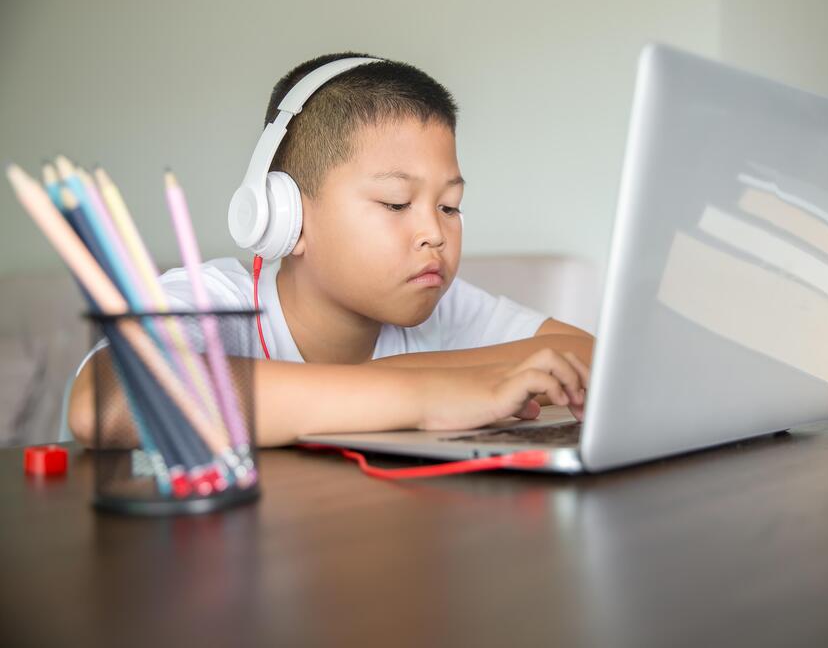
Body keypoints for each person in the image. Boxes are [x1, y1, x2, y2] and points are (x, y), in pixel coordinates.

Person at [68, 51, 594, 447]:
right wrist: (431, 393)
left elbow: (595, 360)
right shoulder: (217, 299)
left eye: (450, 206)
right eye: (394, 203)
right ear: (286, 216)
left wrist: (406, 382)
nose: (434, 233)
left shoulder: (439, 305)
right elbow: (107, 399)